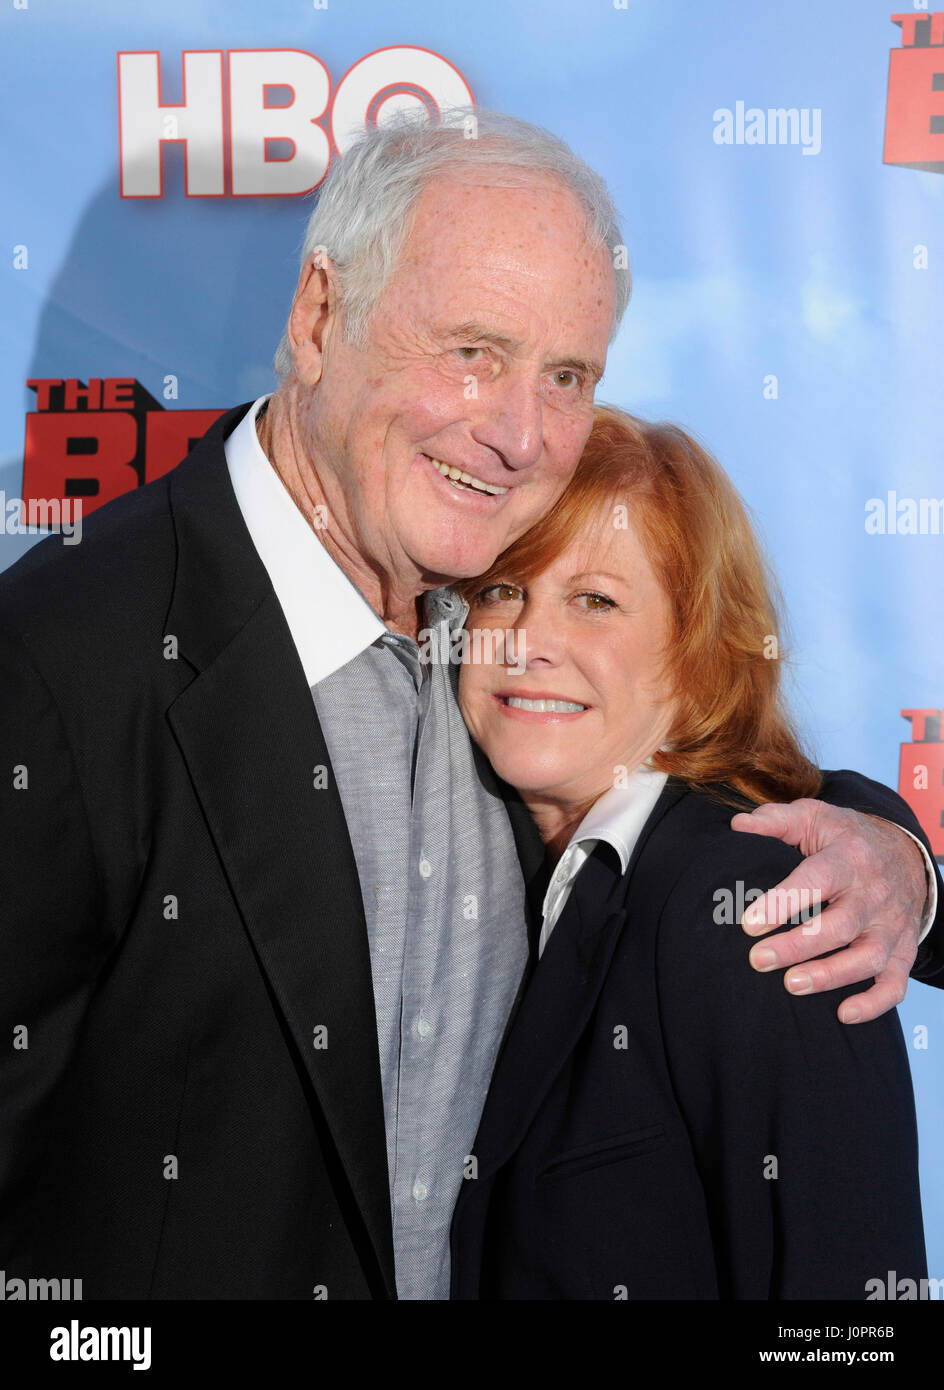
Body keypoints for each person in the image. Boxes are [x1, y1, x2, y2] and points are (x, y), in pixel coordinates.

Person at [0, 110, 939, 1301]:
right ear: (319, 318)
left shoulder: (490, 635)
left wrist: (899, 857)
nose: (517, 435)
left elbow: (713, 791)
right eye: (471, 351)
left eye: (566, 376)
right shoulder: (60, 658)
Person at [450, 405, 927, 1299]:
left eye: (595, 600)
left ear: (697, 653)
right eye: (503, 589)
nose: (530, 640)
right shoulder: (502, 863)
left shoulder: (749, 905)